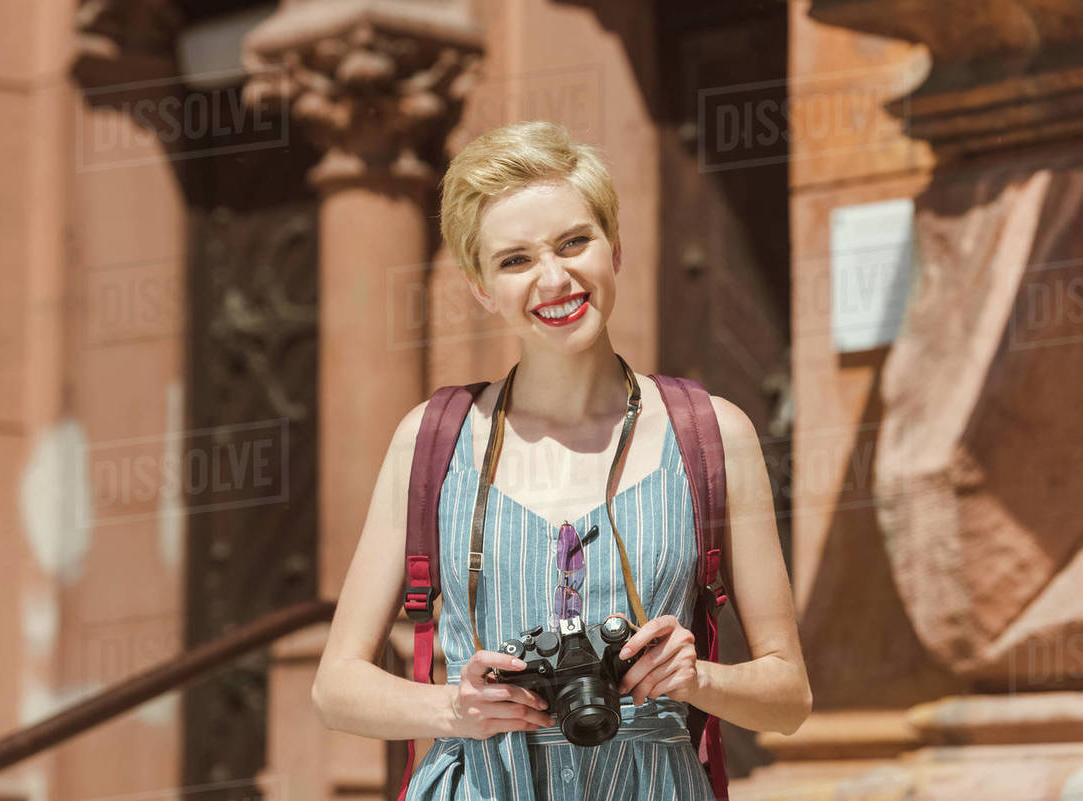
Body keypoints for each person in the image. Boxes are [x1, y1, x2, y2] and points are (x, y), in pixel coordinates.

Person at [311, 120, 812, 800]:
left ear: (615, 249)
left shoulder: (714, 434)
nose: (554, 278)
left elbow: (790, 696)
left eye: (575, 242)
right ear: (481, 286)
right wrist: (453, 709)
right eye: (514, 260)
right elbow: (335, 686)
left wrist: (699, 679)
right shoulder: (431, 440)